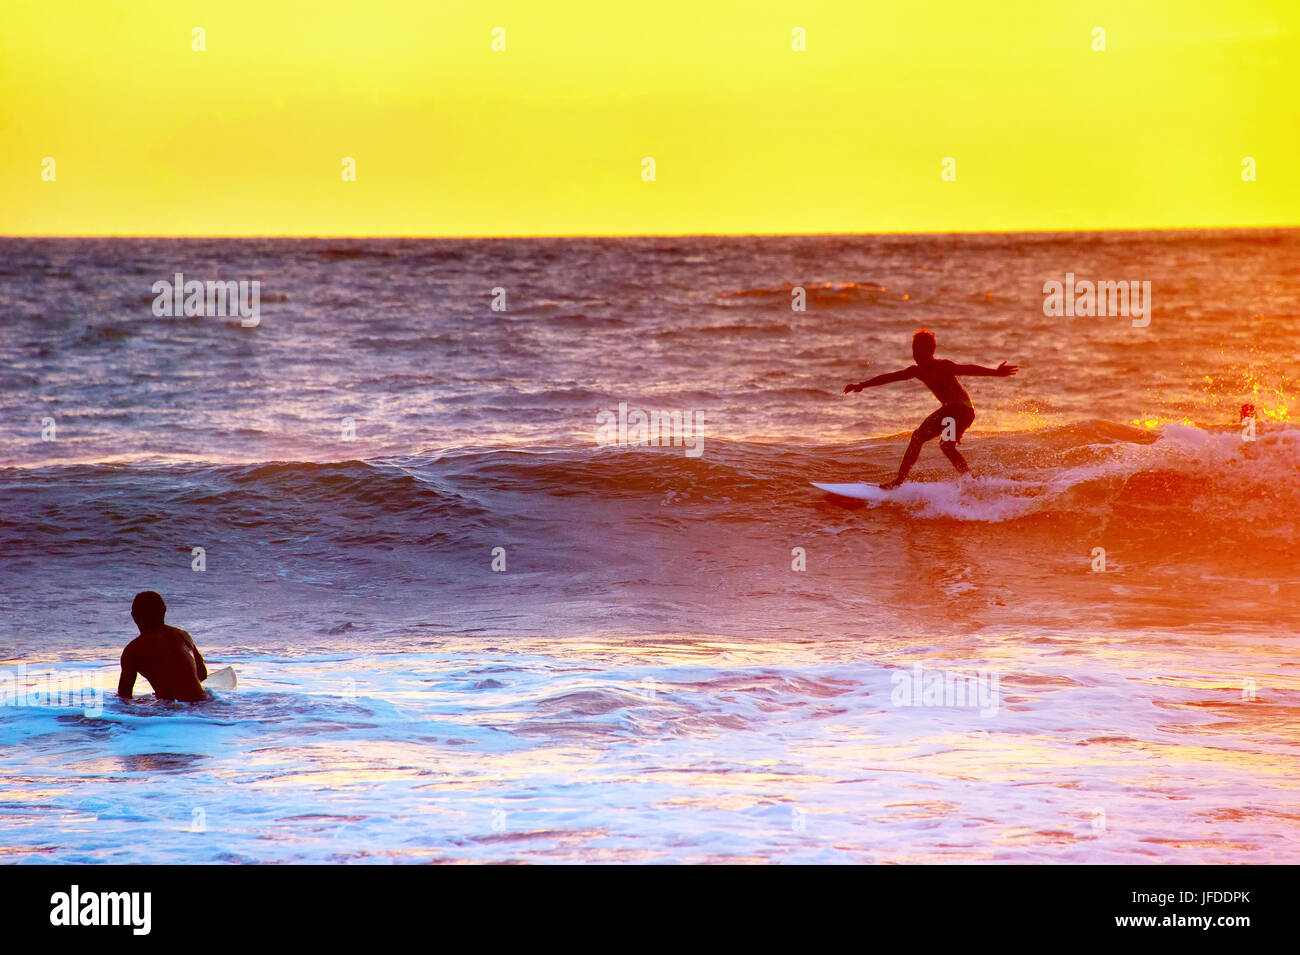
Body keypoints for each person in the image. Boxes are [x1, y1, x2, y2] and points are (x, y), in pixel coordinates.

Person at [844, 329, 1018, 488]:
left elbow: (968, 369)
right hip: (960, 412)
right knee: (946, 446)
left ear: (929, 351)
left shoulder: (943, 366)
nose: (914, 353)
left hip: (958, 410)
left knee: (918, 437)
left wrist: (995, 372)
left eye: (918, 349)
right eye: (913, 348)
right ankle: (969, 480)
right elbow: (890, 377)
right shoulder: (917, 371)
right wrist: (862, 385)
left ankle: (899, 481)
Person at [118, 591, 208, 702]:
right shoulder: (183, 635)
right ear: (164, 611)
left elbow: (124, 697)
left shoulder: (133, 650)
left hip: (173, 710)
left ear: (134, 616)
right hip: (202, 703)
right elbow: (202, 674)